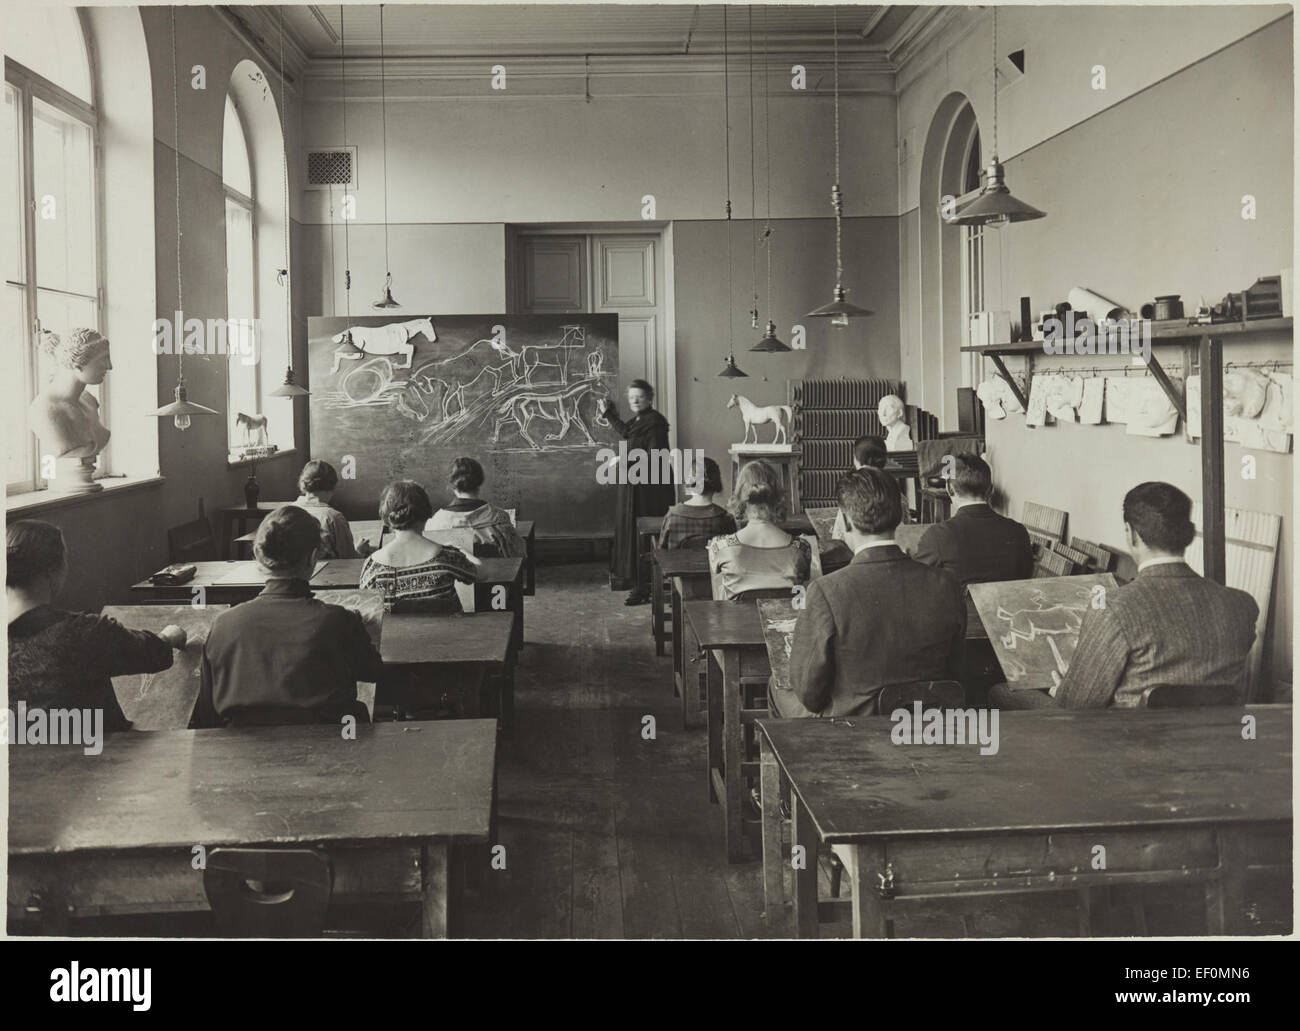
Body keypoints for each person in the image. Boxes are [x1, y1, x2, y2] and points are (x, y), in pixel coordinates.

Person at [997, 482, 1258, 710]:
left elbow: (1078, 705)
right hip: (1212, 746)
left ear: (1131, 534)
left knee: (1000, 692)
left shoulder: (1116, 607)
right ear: (1188, 535)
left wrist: (1062, 689)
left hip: (1128, 751)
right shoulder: (1241, 605)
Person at [773, 467, 965, 718]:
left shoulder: (825, 591)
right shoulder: (946, 583)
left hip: (854, 733)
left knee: (776, 687)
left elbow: (809, 694)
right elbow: (955, 669)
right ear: (899, 516)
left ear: (845, 520)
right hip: (925, 723)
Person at [196, 506, 380, 727]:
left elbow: (207, 711)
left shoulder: (222, 625)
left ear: (258, 556)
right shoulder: (337, 621)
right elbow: (372, 671)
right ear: (314, 557)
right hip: (331, 753)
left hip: (243, 756)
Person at [7, 520, 186, 732]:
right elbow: (150, 653)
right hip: (98, 756)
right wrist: (169, 636)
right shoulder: (82, 632)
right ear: (52, 570)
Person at [598, 379, 675, 605]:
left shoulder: (656, 422)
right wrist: (608, 413)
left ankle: (644, 589)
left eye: (639, 397)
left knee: (643, 536)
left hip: (650, 488)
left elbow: (655, 456)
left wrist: (623, 458)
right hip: (636, 482)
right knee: (633, 531)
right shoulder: (640, 420)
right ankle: (640, 586)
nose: (634, 400)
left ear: (649, 398)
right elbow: (627, 432)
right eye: (631, 397)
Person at [360, 480, 478, 614]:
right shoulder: (447, 557)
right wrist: (461, 551)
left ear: (388, 516)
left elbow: (367, 611)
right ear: (425, 513)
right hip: (447, 633)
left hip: (395, 635)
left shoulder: (372, 566)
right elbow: (478, 574)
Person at [913, 454, 1032, 586]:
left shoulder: (937, 536)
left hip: (958, 607)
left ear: (949, 489)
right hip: (1009, 605)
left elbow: (917, 584)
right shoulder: (1019, 531)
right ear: (991, 490)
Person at [707, 460, 812, 601]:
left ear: (740, 495)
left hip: (737, 623)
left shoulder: (720, 547)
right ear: (777, 496)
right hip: (787, 622)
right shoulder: (802, 548)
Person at [428, 457, 525, 558]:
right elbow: (517, 555)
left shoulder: (435, 523)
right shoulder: (500, 518)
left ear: (452, 484)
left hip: (453, 573)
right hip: (491, 573)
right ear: (479, 481)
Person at [831, 434, 910, 538]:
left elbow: (838, 537)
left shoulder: (851, 490)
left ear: (855, 459)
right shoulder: (894, 488)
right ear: (885, 459)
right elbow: (906, 526)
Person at [294, 459, 369, 559]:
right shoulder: (333, 518)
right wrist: (359, 551)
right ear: (332, 486)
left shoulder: (287, 510)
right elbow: (349, 560)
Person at [657, 456, 736, 550]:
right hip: (711, 565)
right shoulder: (726, 519)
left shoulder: (671, 516)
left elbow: (661, 553)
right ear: (716, 483)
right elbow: (733, 554)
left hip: (679, 565)